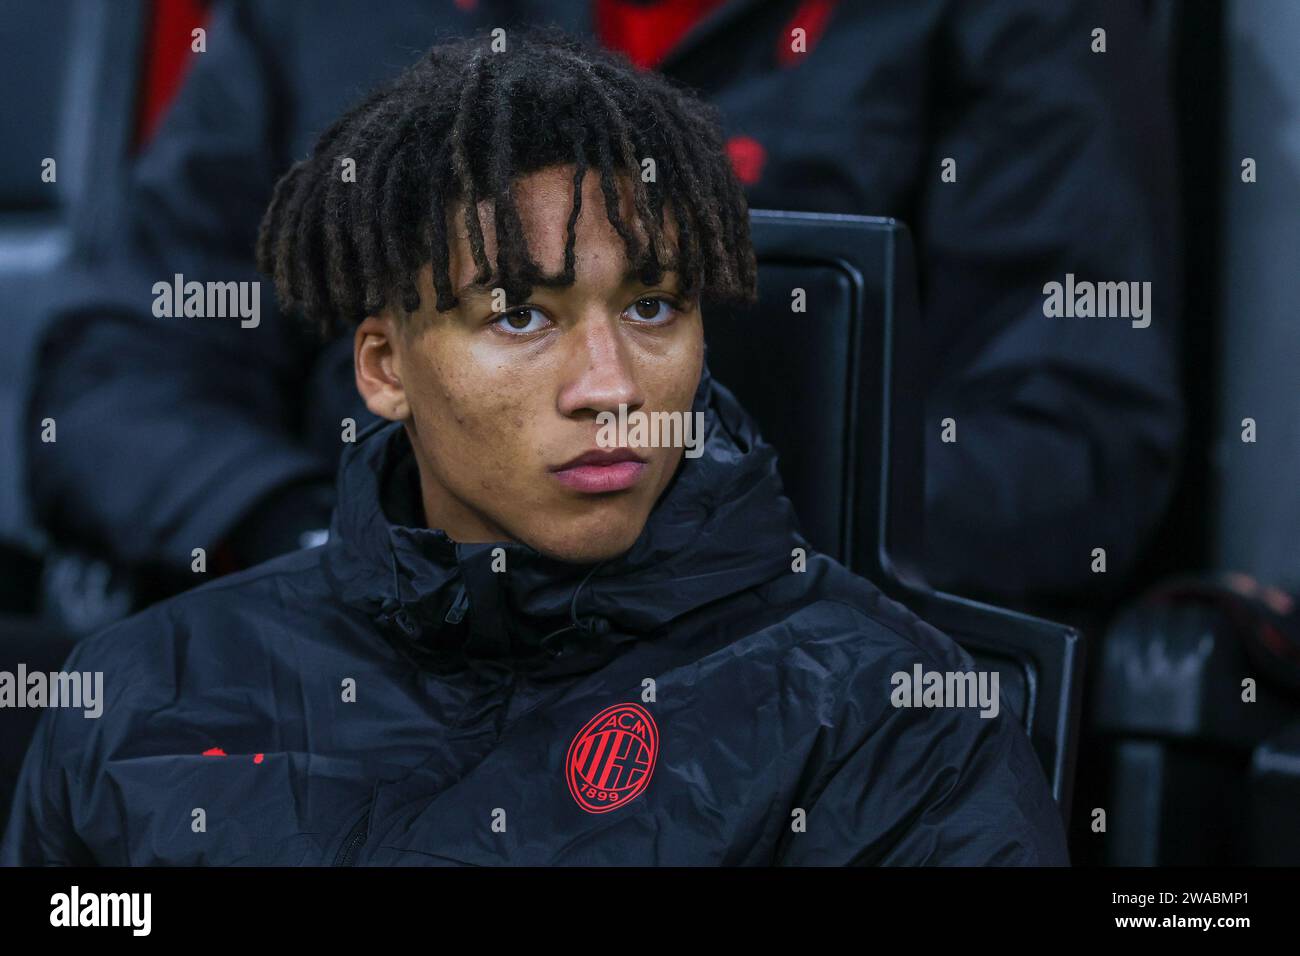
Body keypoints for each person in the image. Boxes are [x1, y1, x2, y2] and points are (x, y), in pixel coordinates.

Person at [2, 32, 1067, 866]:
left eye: (653, 307)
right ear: (383, 367)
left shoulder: (890, 718)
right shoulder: (143, 699)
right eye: (520, 316)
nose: (609, 386)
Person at [25, 0, 1182, 625]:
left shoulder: (1010, 21)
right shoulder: (319, 18)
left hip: (772, 680)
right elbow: (118, 369)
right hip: (362, 666)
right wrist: (319, 540)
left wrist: (698, 566)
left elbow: (1074, 423)